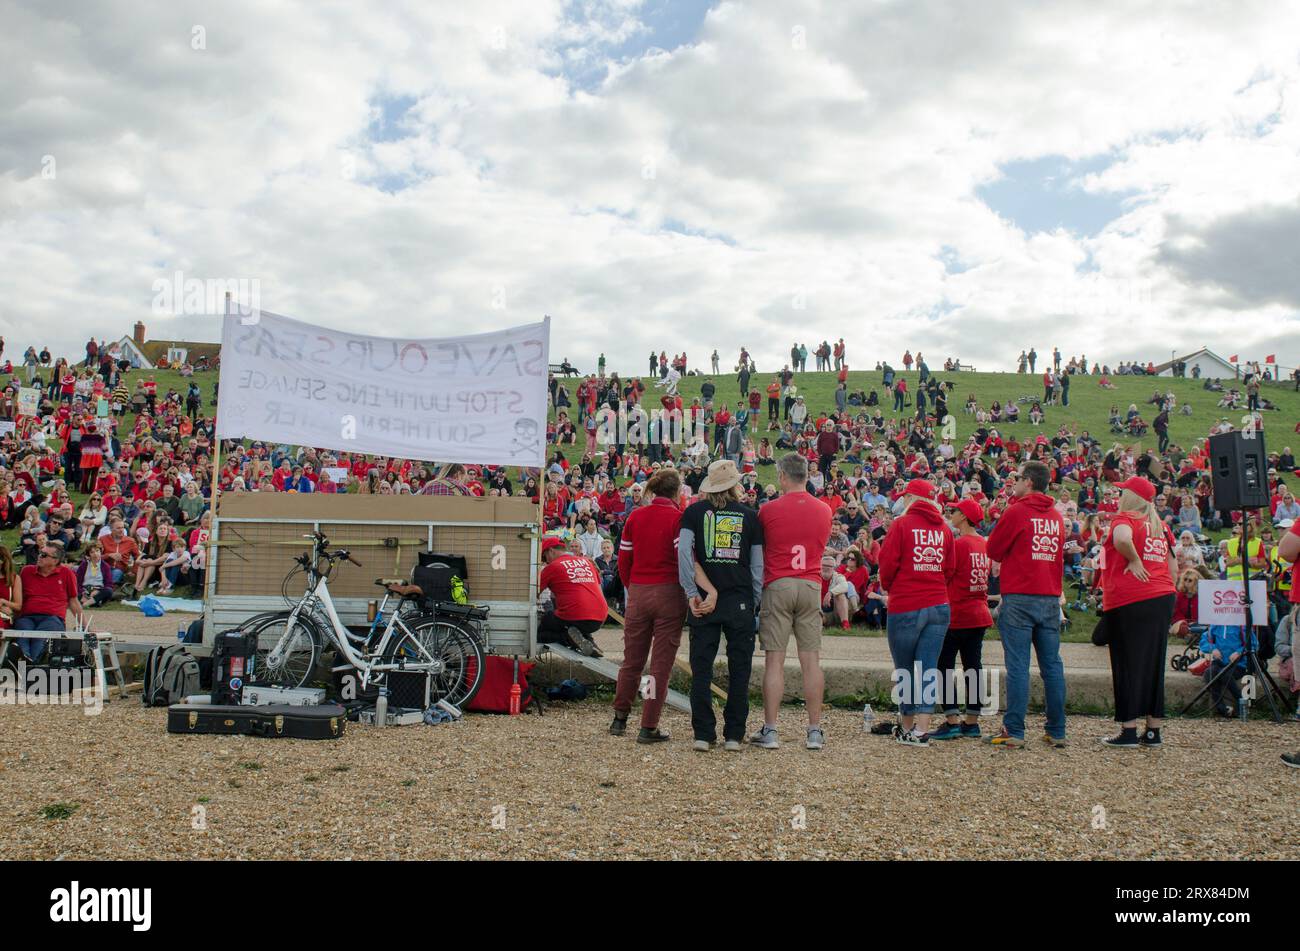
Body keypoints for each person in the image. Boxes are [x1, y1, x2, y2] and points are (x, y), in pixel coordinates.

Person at [678, 460, 763, 752]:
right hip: (739, 598)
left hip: (703, 598)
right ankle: (734, 734)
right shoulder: (750, 517)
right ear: (734, 485)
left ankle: (703, 733)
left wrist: (691, 589)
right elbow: (757, 566)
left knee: (701, 669)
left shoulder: (693, 513)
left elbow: (685, 555)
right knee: (741, 670)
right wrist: (755, 601)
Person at [752, 453, 832, 750]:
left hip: (779, 582)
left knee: (775, 659)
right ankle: (814, 730)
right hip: (810, 582)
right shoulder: (823, 510)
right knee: (811, 660)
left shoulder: (768, 510)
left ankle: (771, 729)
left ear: (783, 476)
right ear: (806, 476)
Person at [985, 460, 1068, 748]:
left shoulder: (1017, 511)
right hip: (1049, 595)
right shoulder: (1056, 517)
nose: (1014, 482)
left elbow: (993, 548)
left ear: (1029, 482)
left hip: (1020, 595)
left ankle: (1015, 730)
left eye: (1018, 478)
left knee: (1019, 665)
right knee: (1052, 665)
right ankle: (1057, 730)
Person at [1098, 477, 1178, 748]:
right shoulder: (1162, 526)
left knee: (1127, 663)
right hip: (1162, 595)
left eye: (1123, 491)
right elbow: (1173, 567)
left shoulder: (1125, 519)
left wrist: (1133, 559)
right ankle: (1153, 729)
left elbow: (1121, 539)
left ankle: (1129, 728)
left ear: (1131, 496)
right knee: (1155, 663)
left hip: (1130, 598)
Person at [877, 479, 955, 746]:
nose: (902, 501)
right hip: (938, 603)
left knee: (906, 669)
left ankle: (908, 726)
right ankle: (922, 729)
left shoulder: (901, 524)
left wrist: (889, 587)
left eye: (905, 497)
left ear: (913, 498)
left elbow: (887, 564)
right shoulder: (944, 529)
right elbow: (950, 568)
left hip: (907, 603)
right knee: (928, 668)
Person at [612, 468, 687, 744]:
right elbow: (683, 561)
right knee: (659, 666)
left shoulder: (636, 516)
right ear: (677, 491)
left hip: (640, 591)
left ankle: (620, 717)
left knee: (631, 660)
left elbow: (623, 560)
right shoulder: (677, 519)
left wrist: (633, 587)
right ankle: (648, 723)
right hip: (668, 592)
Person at [930, 498, 992, 740]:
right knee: (973, 667)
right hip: (979, 611)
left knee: (944, 666)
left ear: (963, 516)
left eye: (954, 511)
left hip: (956, 613)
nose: (950, 513)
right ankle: (972, 721)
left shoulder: (960, 544)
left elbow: (945, 573)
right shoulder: (983, 543)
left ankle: (952, 719)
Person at [537, 536, 606, 657]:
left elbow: (535, 592)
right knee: (571, 620)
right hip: (599, 617)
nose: (545, 561)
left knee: (541, 630)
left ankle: (569, 639)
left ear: (551, 551)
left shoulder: (552, 567)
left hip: (575, 615)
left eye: (545, 556)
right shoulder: (587, 562)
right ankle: (589, 642)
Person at [13, 542, 81, 662]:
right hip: (27, 617)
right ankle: (24, 662)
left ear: (55, 560)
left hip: (52, 618)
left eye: (44, 555)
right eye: (40, 553)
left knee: (40, 640)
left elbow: (73, 602)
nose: (39, 556)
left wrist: (86, 626)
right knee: (21, 637)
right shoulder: (27, 571)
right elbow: (19, 597)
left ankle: (29, 665)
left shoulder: (67, 574)